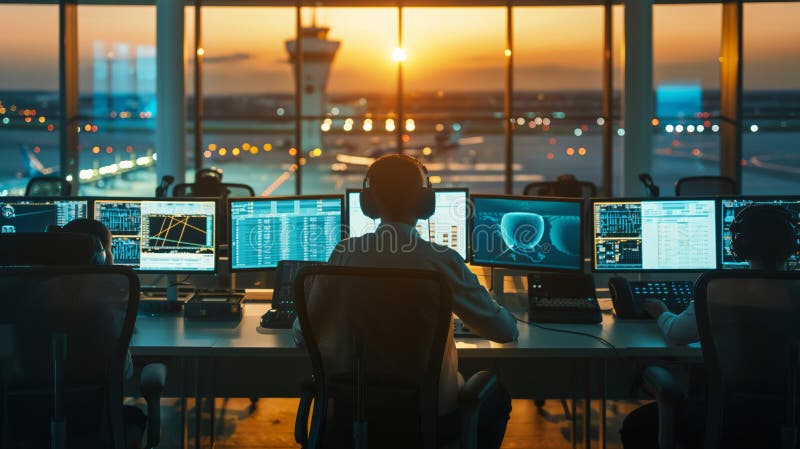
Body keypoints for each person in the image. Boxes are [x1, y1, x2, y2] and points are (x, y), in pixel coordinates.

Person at [292, 154, 519, 449]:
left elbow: (302, 334)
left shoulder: (343, 255)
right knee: (496, 396)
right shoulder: (441, 261)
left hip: (352, 415)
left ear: (368, 202)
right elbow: (504, 332)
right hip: (427, 421)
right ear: (426, 203)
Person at [621, 204, 798, 448]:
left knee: (637, 427)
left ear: (738, 247)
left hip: (728, 415)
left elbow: (677, 334)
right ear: (791, 246)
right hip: (791, 418)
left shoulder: (717, 288)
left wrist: (661, 312)